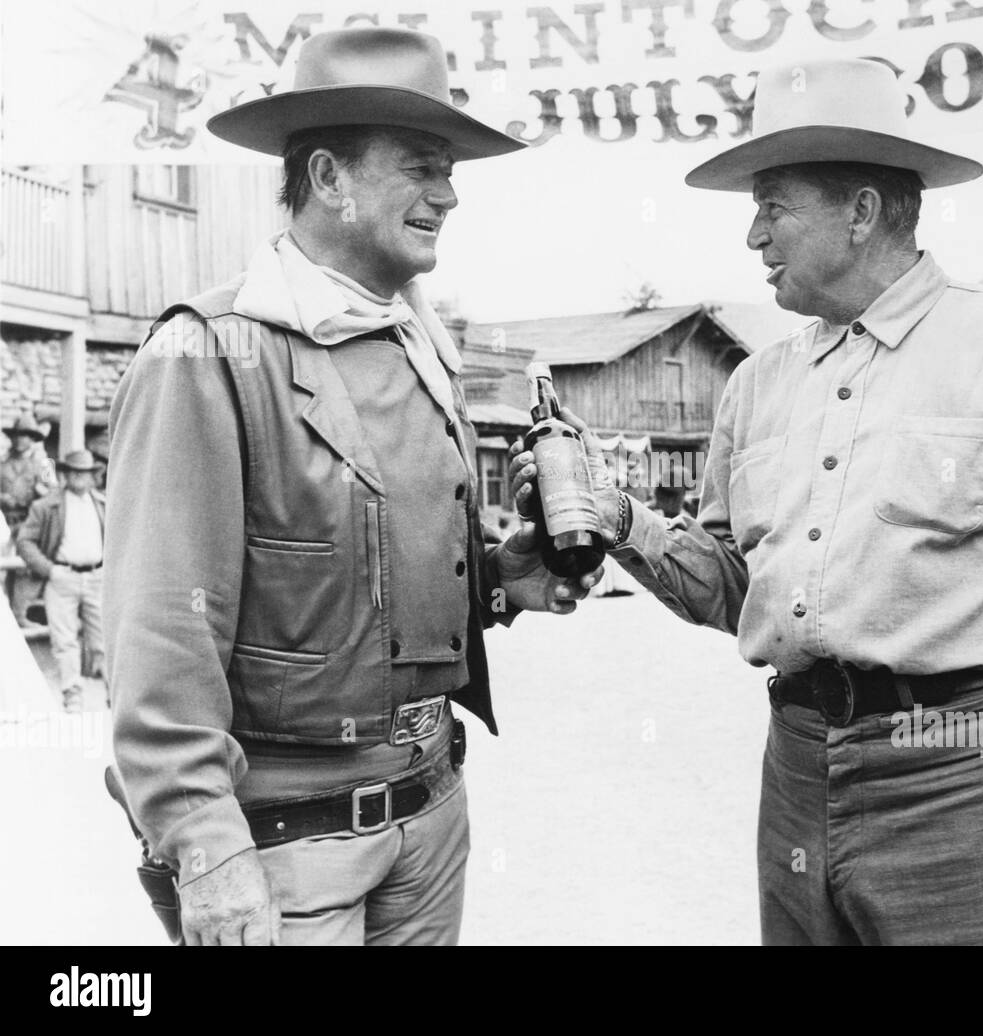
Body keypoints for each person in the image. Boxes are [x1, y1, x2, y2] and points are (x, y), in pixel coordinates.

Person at [511, 58, 983, 946]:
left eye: (773, 204)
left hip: (964, 773)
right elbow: (738, 591)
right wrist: (617, 518)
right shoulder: (757, 384)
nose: (752, 237)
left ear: (860, 211)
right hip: (798, 765)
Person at [104, 28, 599, 948]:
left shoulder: (415, 342)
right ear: (328, 178)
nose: (448, 194)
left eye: (449, 170)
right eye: (421, 166)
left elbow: (345, 586)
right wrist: (204, 852)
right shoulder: (206, 350)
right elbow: (160, 626)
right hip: (290, 852)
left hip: (431, 818)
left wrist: (496, 583)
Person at [15, 449, 106, 712]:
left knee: (103, 641)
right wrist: (49, 569)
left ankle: (112, 696)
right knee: (64, 641)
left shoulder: (102, 504)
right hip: (62, 579)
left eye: (85, 473)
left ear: (93, 477)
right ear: (64, 475)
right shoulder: (47, 506)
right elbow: (25, 541)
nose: (79, 477)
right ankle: (73, 695)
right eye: (74, 472)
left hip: (96, 578)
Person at [1, 413, 57, 626]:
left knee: (26, 567)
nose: (19, 440)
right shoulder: (3, 462)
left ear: (33, 438)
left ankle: (20, 613)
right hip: (6, 522)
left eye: (25, 435)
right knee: (5, 568)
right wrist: (3, 498)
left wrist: (38, 490)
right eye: (16, 435)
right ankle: (6, 615)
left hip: (31, 521)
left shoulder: (45, 464)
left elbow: (54, 494)